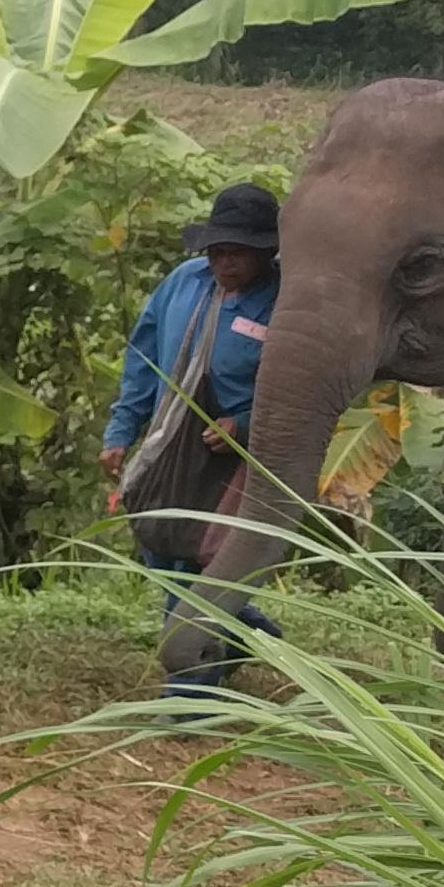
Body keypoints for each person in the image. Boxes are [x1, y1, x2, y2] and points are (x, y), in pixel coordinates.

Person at [102, 181, 280, 688]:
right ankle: (244, 628)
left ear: (267, 251)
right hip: (174, 438)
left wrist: (243, 426)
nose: (226, 263)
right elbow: (142, 362)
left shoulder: (286, 302)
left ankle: (190, 694)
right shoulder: (184, 283)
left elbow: (301, 388)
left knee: (204, 563)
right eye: (217, 252)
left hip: (241, 459)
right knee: (162, 547)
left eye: (239, 253)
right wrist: (120, 431)